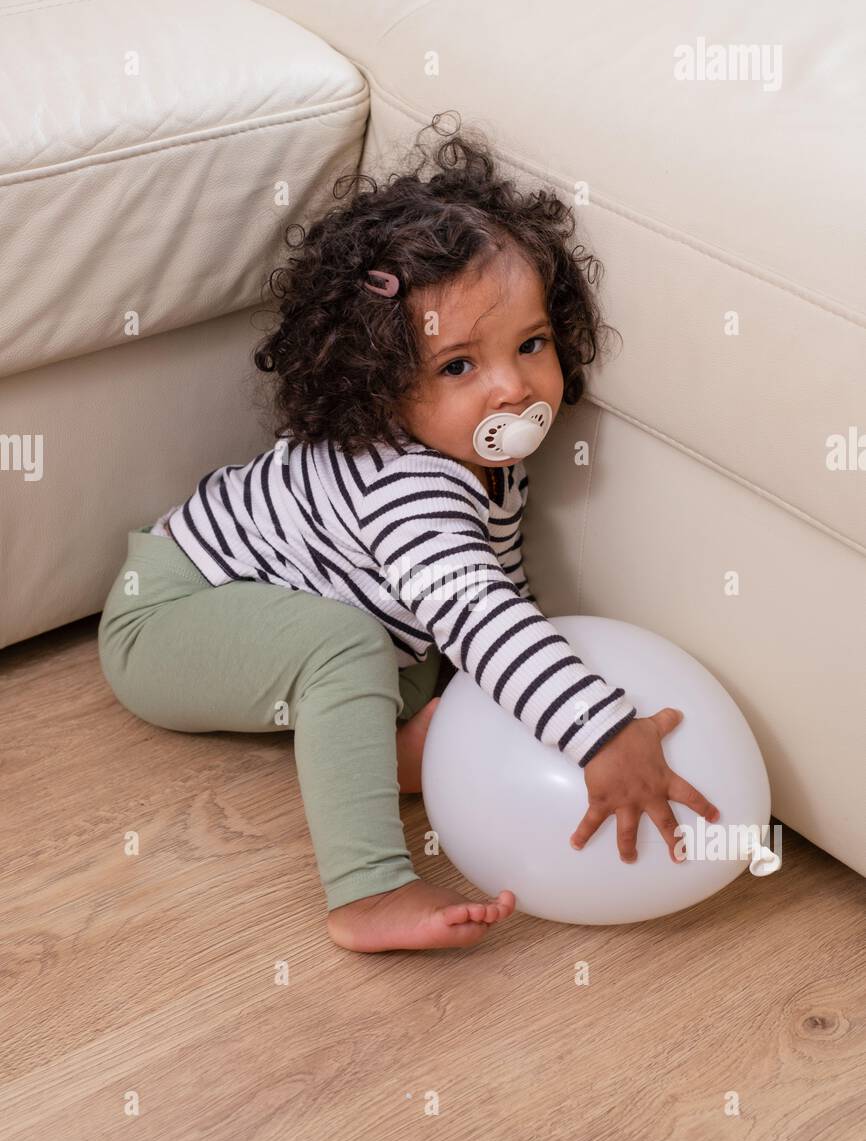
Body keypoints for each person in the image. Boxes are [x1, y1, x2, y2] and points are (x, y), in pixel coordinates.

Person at [98, 114, 718, 954]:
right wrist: (601, 732)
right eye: (459, 365)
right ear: (380, 387)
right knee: (353, 646)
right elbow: (478, 615)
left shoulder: (480, 451)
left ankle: (374, 752)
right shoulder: (409, 483)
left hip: (289, 600)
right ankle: (368, 889)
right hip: (169, 615)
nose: (510, 389)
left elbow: (492, 583)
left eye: (531, 344)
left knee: (435, 664)